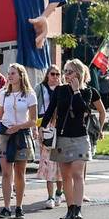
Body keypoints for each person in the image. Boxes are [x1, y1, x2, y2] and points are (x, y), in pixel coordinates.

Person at [41, 59, 106, 219]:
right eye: (65, 71)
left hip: (80, 137)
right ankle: (69, 209)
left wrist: (76, 90)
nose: (65, 75)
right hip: (62, 137)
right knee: (66, 176)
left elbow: (81, 109)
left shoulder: (88, 91)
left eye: (69, 71)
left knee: (77, 173)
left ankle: (78, 210)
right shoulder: (60, 90)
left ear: (78, 73)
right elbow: (50, 110)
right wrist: (42, 127)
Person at [0, 63, 37, 219]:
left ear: (21, 75)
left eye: (13, 73)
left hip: (21, 135)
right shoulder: (3, 94)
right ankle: (6, 207)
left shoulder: (29, 94)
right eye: (9, 73)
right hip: (5, 134)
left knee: (20, 172)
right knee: (6, 172)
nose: (10, 76)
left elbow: (33, 120)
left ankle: (19, 206)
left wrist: (18, 127)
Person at [35, 66, 64, 209]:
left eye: (58, 74)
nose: (55, 76)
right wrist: (36, 126)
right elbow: (35, 107)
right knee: (47, 162)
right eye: (52, 74)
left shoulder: (64, 89)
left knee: (60, 163)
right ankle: (50, 196)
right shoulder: (40, 88)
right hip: (45, 124)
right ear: (47, 75)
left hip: (60, 127)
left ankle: (59, 192)